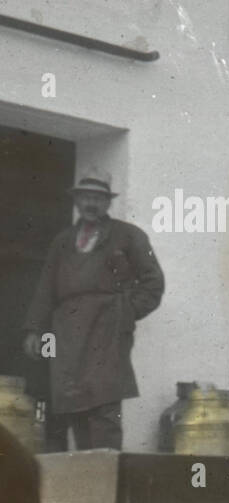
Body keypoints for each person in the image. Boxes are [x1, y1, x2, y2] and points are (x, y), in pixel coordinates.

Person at [21, 170, 165, 451]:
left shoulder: (129, 236)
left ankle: (107, 483)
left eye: (98, 198)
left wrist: (124, 312)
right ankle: (81, 483)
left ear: (108, 202)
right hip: (66, 332)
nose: (91, 203)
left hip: (106, 330)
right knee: (70, 405)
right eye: (85, 196)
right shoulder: (62, 241)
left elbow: (153, 283)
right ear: (76, 200)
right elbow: (45, 288)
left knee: (104, 405)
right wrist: (34, 329)